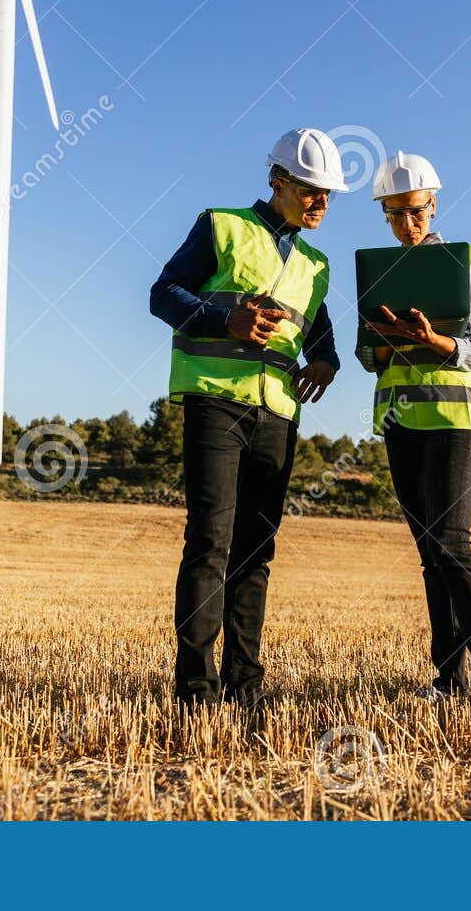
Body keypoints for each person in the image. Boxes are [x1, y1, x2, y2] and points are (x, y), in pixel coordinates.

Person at [149, 127, 349, 709]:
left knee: (257, 549)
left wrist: (328, 363)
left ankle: (245, 684)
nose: (322, 203)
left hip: (278, 416)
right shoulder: (221, 225)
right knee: (210, 541)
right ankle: (195, 689)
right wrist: (222, 321)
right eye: (312, 189)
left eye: (329, 195)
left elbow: (322, 334)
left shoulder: (315, 264)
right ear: (278, 181)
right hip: (216, 403)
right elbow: (162, 294)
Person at [359, 151, 471, 722]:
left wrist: (432, 341)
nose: (406, 224)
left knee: (453, 544)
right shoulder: (379, 271)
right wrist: (380, 336)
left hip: (456, 420)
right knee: (431, 556)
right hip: (403, 422)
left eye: (415, 211)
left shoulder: (462, 261)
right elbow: (371, 359)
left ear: (433, 204)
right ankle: (447, 681)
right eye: (395, 215)